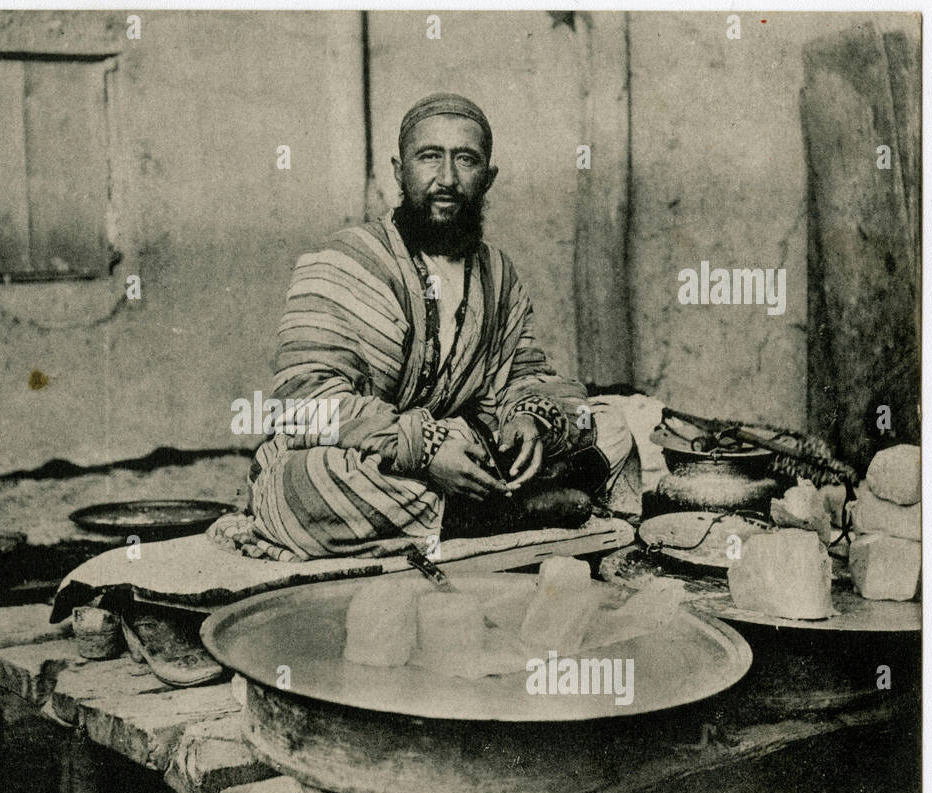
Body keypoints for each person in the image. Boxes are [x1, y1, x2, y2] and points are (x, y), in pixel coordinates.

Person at [224, 93, 640, 561]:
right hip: (369, 459)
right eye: (429, 157)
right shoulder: (344, 260)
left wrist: (529, 420)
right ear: (399, 171)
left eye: (466, 160)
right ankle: (495, 514)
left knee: (610, 425)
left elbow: (525, 373)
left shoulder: (498, 274)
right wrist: (425, 449)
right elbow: (305, 404)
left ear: (489, 177)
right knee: (299, 490)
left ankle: (481, 503)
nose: (446, 179)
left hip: (469, 454)